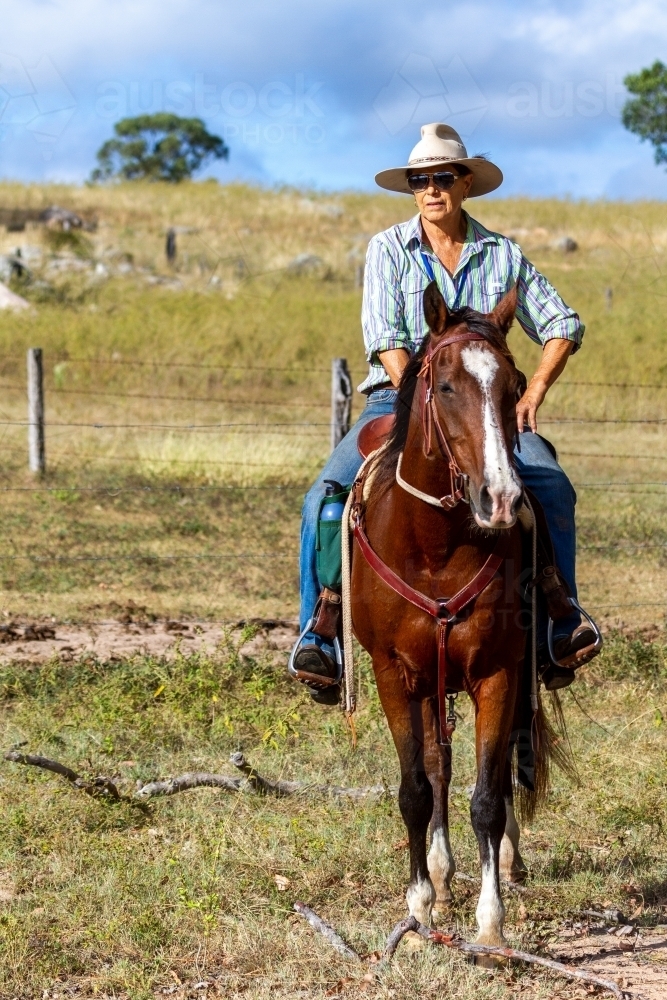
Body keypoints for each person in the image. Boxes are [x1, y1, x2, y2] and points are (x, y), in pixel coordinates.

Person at [292, 122, 599, 703]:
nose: (430, 189)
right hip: (398, 399)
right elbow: (387, 338)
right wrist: (424, 406)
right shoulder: (387, 249)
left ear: (465, 184)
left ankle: (561, 617)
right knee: (324, 498)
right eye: (419, 180)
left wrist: (531, 393)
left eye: (441, 177)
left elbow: (564, 325)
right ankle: (322, 631)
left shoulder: (502, 255)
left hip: (486, 407)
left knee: (551, 487)